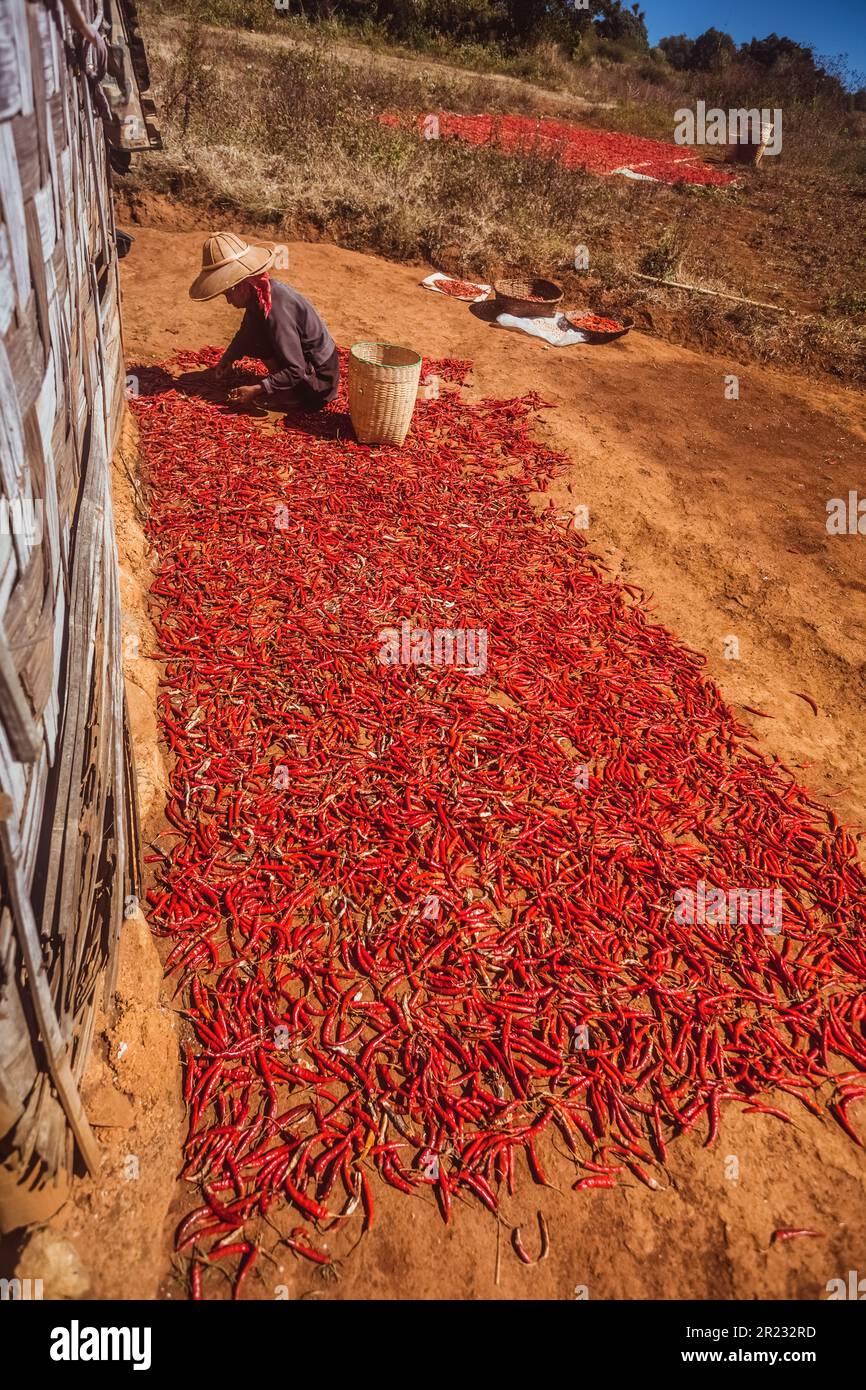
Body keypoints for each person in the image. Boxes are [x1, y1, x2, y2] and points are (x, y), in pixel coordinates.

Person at [188, 232, 340, 409]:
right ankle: (285, 386)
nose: (228, 301)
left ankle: (293, 393)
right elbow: (246, 333)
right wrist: (228, 357)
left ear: (242, 286)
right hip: (310, 367)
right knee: (253, 335)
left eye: (228, 294)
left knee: (262, 339)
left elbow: (296, 370)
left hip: (319, 383)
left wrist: (258, 388)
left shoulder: (276, 307)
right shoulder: (260, 293)